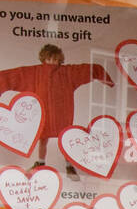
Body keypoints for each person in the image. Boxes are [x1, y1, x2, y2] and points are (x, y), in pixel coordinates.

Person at [1, 43, 115, 177]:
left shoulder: (67, 73)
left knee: (66, 139)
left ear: (59, 59)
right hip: (44, 113)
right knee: (43, 139)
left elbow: (86, 70)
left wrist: (103, 77)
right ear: (44, 59)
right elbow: (14, 76)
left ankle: (69, 165)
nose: (52, 62)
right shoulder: (34, 72)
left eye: (55, 59)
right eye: (49, 59)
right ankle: (40, 162)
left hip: (62, 112)